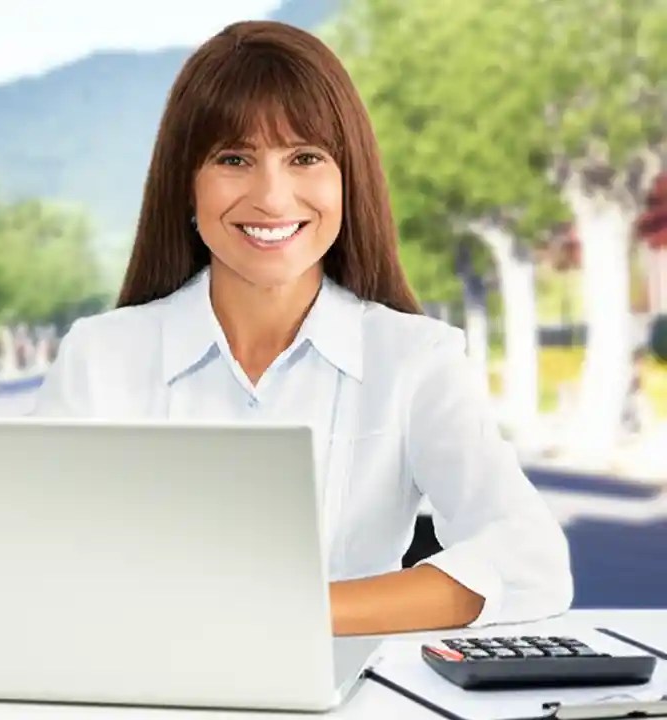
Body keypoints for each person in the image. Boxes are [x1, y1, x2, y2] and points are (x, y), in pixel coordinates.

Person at [30, 21, 573, 636]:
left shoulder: (414, 358)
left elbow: (530, 561)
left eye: (305, 158)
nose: (271, 196)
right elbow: (28, 561)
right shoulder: (99, 357)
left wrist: (291, 616)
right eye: (234, 159)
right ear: (186, 184)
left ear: (348, 178)